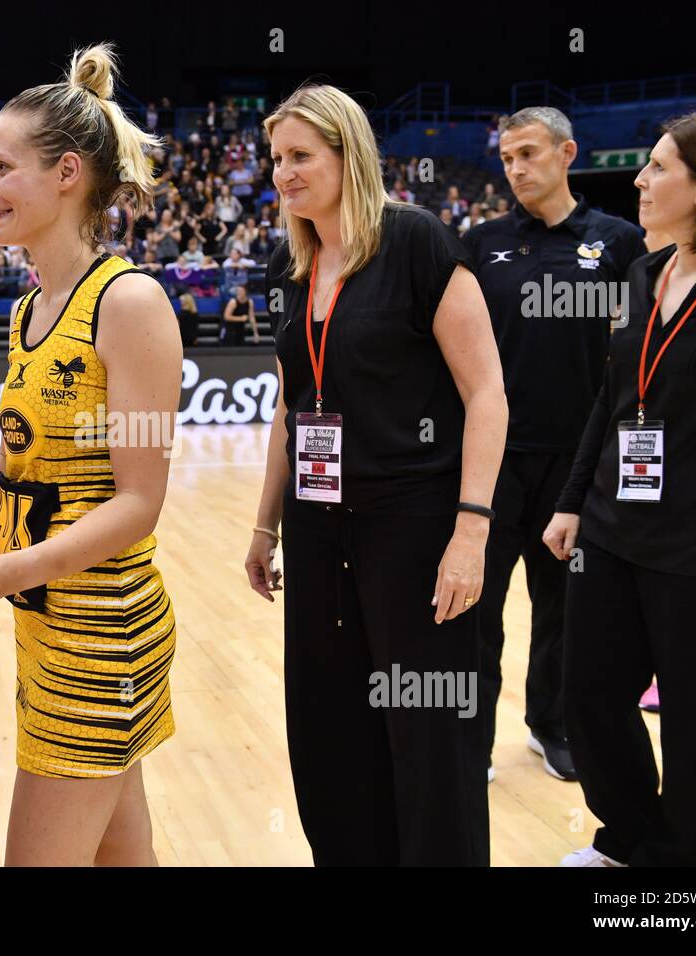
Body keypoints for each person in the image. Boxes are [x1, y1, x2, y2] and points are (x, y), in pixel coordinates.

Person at [0, 43, 183, 867]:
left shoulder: (130, 303)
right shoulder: (29, 311)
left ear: (65, 174)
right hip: (45, 625)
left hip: (104, 632)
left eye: (2, 167)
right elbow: (32, 467)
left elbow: (138, 503)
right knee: (123, 855)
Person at [245, 83, 507, 866]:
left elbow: (487, 391)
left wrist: (471, 530)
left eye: (300, 156)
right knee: (330, 731)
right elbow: (292, 410)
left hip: (415, 530)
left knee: (426, 738)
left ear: (346, 153)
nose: (283, 173)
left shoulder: (418, 242)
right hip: (320, 534)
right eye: (274, 159)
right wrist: (266, 524)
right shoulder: (289, 267)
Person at [543, 111, 696, 867]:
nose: (639, 181)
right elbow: (614, 402)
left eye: (657, 168)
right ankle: (630, 841)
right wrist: (574, 499)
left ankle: (678, 877)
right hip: (612, 531)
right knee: (588, 697)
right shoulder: (644, 273)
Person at [463, 107, 646, 783]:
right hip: (494, 460)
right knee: (474, 611)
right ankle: (470, 738)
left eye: (530, 154)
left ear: (568, 152)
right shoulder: (480, 244)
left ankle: (551, 724)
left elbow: (636, 355)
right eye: (507, 158)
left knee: (564, 609)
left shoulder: (619, 241)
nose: (516, 169)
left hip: (580, 466)